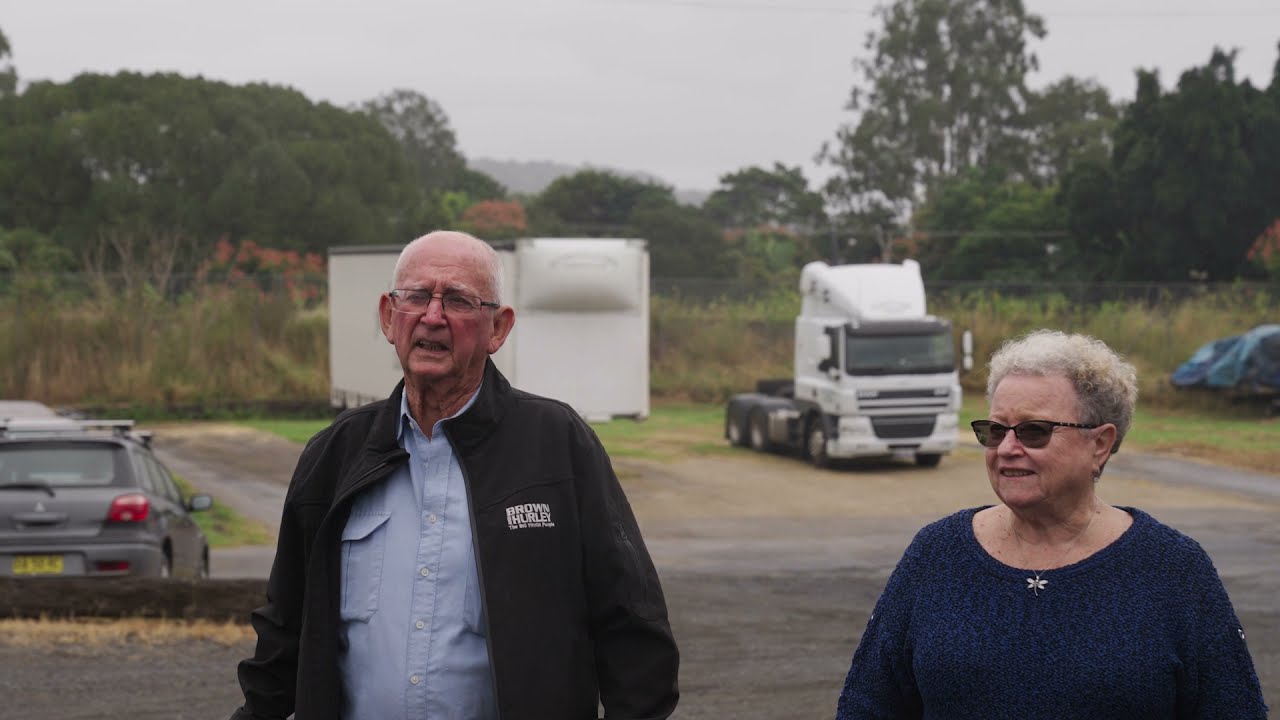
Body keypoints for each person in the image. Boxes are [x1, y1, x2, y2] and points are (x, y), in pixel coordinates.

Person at [230, 231, 679, 720]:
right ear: (388, 316)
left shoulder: (557, 446)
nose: (433, 316)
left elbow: (632, 629)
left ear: (498, 328)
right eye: (416, 297)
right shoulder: (335, 456)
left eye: (459, 301)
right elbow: (283, 637)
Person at [835, 329, 1269, 719]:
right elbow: (867, 706)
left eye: (1033, 431)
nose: (1006, 448)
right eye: (994, 430)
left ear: (1100, 444)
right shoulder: (937, 553)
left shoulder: (1174, 569)